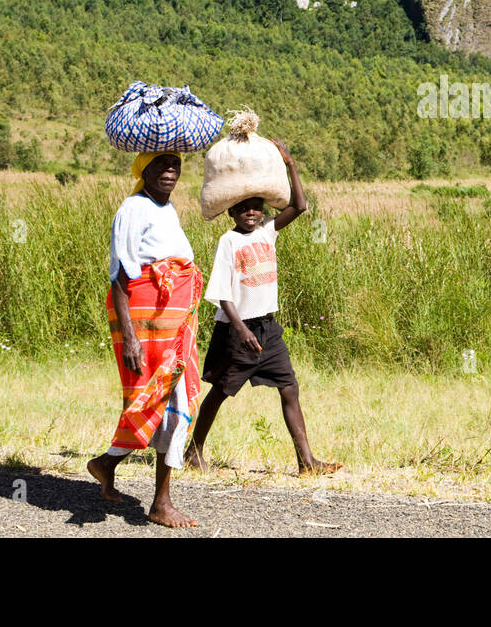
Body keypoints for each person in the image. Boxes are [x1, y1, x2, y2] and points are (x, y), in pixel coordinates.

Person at [184, 137, 341, 477]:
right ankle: (193, 452)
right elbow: (223, 292)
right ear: (231, 211)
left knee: (289, 388)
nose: (251, 213)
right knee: (221, 390)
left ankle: (306, 461)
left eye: (256, 207)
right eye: (243, 208)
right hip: (237, 330)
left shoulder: (268, 230)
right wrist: (240, 331)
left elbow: (299, 206)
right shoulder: (229, 241)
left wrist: (291, 164)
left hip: (268, 330)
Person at [87, 151, 203, 528]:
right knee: (152, 398)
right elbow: (119, 274)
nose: (169, 171)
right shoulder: (132, 209)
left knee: (173, 400)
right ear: (144, 170)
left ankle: (111, 465)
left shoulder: (167, 209)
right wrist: (131, 338)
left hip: (172, 323)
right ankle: (158, 502)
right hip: (142, 321)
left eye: (175, 165)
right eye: (160, 165)